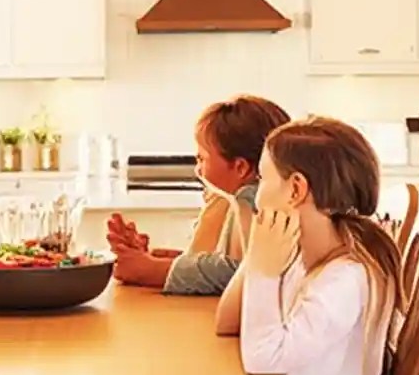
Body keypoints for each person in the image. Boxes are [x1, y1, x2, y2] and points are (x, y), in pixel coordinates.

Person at [95, 117, 403, 375]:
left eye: (262, 178)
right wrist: (259, 254)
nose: (255, 194)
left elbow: (263, 358)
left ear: (295, 190)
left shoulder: (346, 278)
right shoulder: (302, 259)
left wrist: (262, 270)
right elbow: (227, 320)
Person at [106, 95, 290, 295]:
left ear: (240, 167)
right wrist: (164, 261)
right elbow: (230, 262)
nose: (197, 168)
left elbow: (242, 273)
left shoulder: (252, 200)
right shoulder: (246, 198)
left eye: (202, 158)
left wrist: (153, 270)